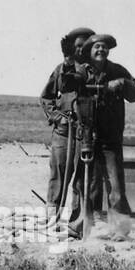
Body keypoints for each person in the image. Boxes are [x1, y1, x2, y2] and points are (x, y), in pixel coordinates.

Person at [68, 33, 135, 237]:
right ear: (89, 51)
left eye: (104, 47)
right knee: (86, 183)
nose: (101, 50)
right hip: (87, 136)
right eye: (96, 47)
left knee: (115, 184)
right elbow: (65, 85)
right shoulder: (81, 71)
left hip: (110, 137)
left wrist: (123, 84)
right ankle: (82, 224)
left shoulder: (117, 70)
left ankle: (120, 228)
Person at [39, 27, 94, 219]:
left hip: (86, 133)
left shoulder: (94, 71)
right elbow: (46, 97)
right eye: (78, 46)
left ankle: (76, 222)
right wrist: (56, 116)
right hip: (63, 132)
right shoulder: (61, 69)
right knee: (58, 175)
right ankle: (51, 216)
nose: (81, 50)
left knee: (81, 180)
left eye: (85, 46)